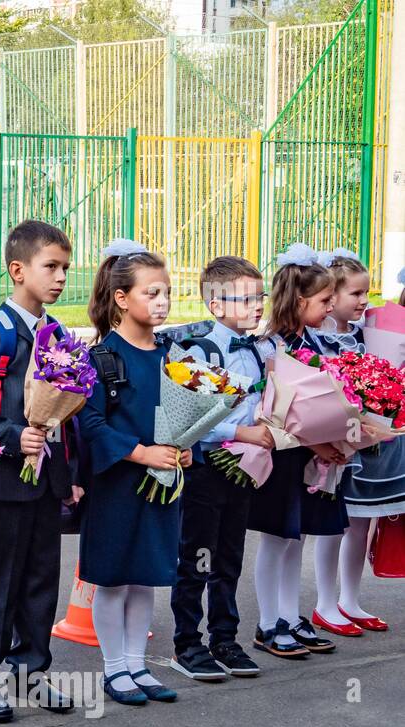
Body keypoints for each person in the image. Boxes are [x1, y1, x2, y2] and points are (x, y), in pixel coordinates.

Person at [0, 219, 81, 722]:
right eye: (51, 267)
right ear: (17, 269)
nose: (60, 277)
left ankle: (30, 669)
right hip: (3, 481)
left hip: (47, 480)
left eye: (65, 268)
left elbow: (66, 413)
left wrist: (70, 472)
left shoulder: (58, 334)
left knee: (39, 579)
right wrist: (11, 438)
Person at [78, 241, 185, 706]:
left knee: (145, 576)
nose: (161, 303)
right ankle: (114, 668)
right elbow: (90, 423)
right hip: (119, 483)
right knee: (114, 576)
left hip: (163, 483)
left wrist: (183, 450)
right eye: (151, 293)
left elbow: (187, 413)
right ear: (122, 298)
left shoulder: (173, 356)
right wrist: (142, 454)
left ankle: (138, 664)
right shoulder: (101, 358)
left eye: (166, 293)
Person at [169, 256, 271, 681]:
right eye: (245, 298)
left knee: (230, 555)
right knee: (198, 557)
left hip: (244, 471)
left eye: (259, 296)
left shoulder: (262, 350)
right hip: (207, 470)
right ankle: (187, 643)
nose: (257, 305)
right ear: (216, 305)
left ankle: (225, 638)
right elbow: (186, 415)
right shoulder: (199, 349)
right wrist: (239, 432)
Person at [246, 243, 342, 658]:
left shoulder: (316, 342)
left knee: (295, 539)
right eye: (324, 300)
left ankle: (289, 614)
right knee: (275, 539)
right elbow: (275, 412)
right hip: (282, 455)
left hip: (308, 457)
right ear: (301, 300)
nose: (331, 306)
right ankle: (268, 624)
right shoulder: (272, 347)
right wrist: (317, 440)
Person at [310, 249, 400, 635]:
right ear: (331, 295)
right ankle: (324, 604)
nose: (365, 302)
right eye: (355, 295)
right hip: (331, 446)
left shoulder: (366, 335)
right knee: (334, 525)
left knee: (360, 525)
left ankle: (350, 599)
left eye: (367, 294)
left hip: (365, 446)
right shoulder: (316, 339)